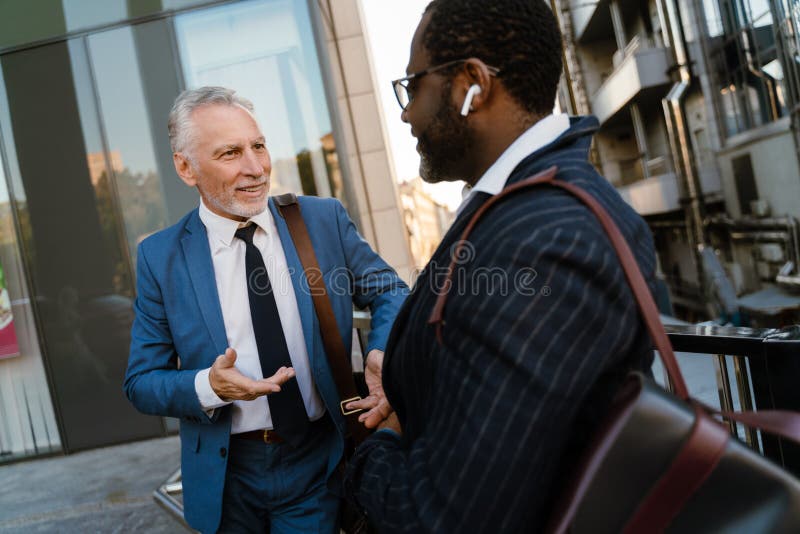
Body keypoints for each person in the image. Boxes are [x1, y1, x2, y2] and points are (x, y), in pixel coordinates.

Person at [343, 0, 658, 531]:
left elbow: (444, 520)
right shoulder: (514, 210)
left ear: (472, 85)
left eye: (413, 85)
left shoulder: (546, 239)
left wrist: (379, 449)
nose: (404, 113)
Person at [124, 86, 408, 534]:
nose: (255, 168)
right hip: (225, 476)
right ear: (185, 167)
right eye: (230, 153)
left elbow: (389, 289)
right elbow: (141, 381)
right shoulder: (161, 258)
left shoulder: (321, 220)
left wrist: (382, 351)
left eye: (258, 146)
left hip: (315, 462)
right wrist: (209, 386)